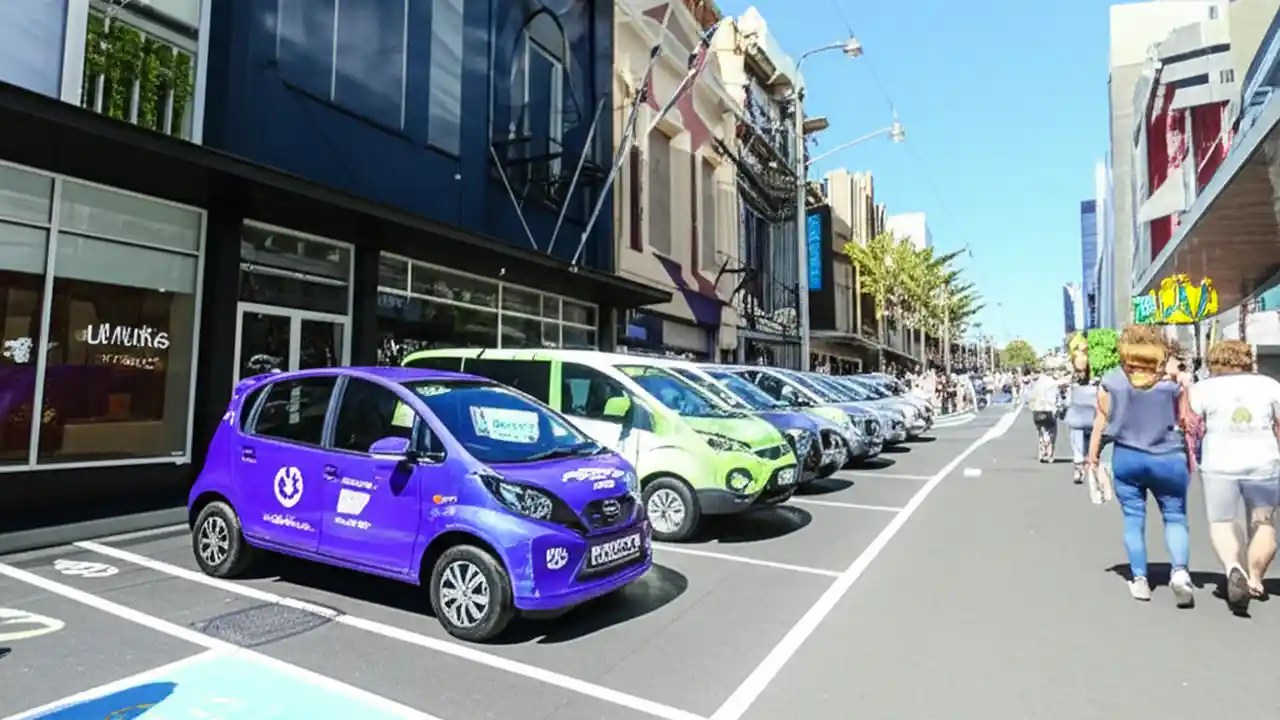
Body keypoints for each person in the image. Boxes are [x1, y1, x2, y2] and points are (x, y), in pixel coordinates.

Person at [1087, 325, 1195, 606]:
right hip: (1169, 457)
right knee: (1175, 516)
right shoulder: (1173, 382)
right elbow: (1186, 421)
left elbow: (1101, 421)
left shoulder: (1112, 380)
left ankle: (1139, 579)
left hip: (1128, 457)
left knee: (1133, 519)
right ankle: (1180, 572)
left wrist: (1093, 457)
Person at [1188, 340, 1280, 614]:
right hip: (1264, 463)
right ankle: (1254, 578)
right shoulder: (1269, 385)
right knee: (1263, 522)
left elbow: (1192, 425)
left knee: (1223, 521)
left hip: (1219, 464)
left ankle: (1233, 567)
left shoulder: (1202, 389)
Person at [1064, 365, 1097, 484]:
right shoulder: (1095, 389)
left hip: (1076, 421)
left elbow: (1067, 402)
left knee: (1077, 446)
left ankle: (1079, 470)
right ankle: (1090, 469)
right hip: (1091, 421)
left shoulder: (1073, 389)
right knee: (1089, 447)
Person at [1027, 370, 1062, 462]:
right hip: (1050, 410)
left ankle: (1042, 452)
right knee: (1052, 432)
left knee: (1041, 432)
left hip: (1038, 410)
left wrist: (1033, 407)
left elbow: (1030, 397)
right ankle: (1050, 454)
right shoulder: (1054, 384)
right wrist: (1058, 409)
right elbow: (1057, 399)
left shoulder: (1036, 384)